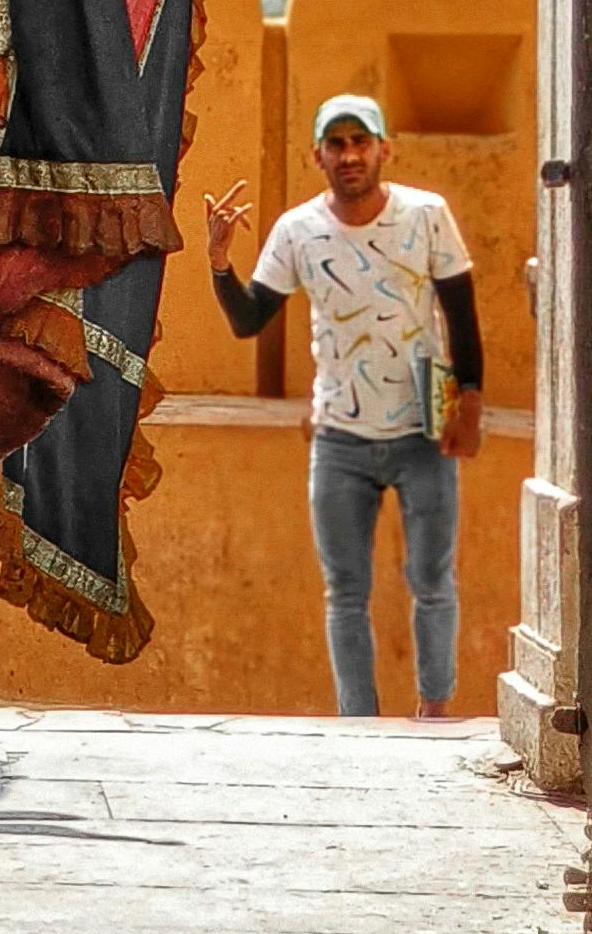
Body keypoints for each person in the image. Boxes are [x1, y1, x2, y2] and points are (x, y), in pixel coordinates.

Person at [205, 92, 484, 721]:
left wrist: (468, 405)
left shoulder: (427, 215)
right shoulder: (297, 231)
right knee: (345, 591)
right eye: (337, 144)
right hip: (339, 436)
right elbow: (250, 320)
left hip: (422, 429)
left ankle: (434, 710)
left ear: (384, 150)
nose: (350, 155)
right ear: (318, 156)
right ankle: (359, 721)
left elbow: (461, 316)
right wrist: (220, 263)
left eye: (361, 142)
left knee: (432, 580)